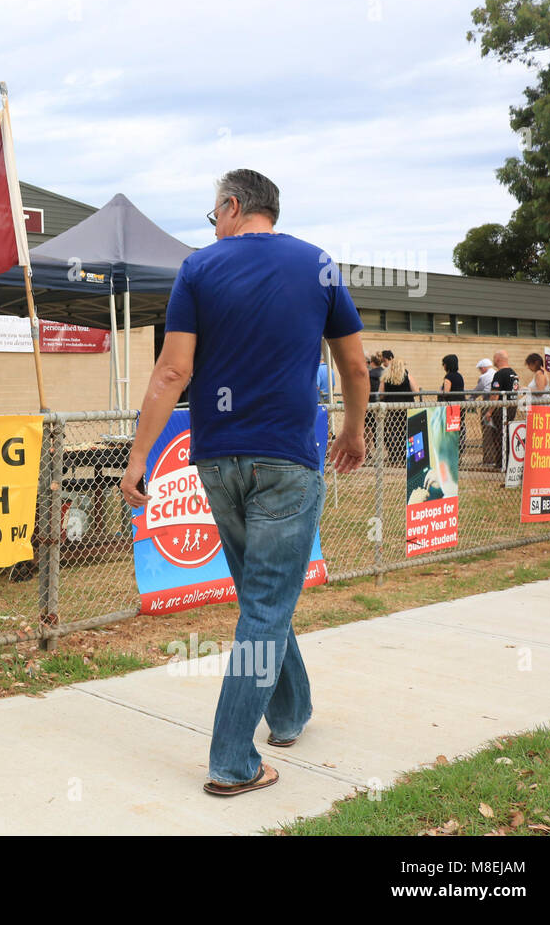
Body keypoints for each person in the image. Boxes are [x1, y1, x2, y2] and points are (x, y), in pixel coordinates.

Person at [119, 169, 368, 797]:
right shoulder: (317, 265)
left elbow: (172, 372)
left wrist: (140, 455)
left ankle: (289, 713)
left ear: (232, 207)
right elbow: (356, 364)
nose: (214, 226)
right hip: (287, 459)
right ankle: (232, 761)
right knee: (265, 606)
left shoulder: (198, 270)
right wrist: (354, 430)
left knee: (263, 599)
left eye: (213, 215)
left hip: (218, 459)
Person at [379, 357, 416, 466]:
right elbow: (416, 391)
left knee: (393, 432)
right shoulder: (407, 376)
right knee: (407, 431)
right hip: (406, 408)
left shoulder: (386, 377)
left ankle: (394, 455)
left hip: (392, 409)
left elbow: (381, 394)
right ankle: (407, 456)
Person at [487, 350, 519, 470]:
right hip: (512, 407)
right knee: (507, 434)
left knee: (498, 436)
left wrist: (490, 411)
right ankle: (508, 460)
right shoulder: (514, 374)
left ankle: (501, 462)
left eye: (494, 358)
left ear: (499, 359)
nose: (493, 360)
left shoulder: (499, 374)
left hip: (501, 409)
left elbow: (495, 395)